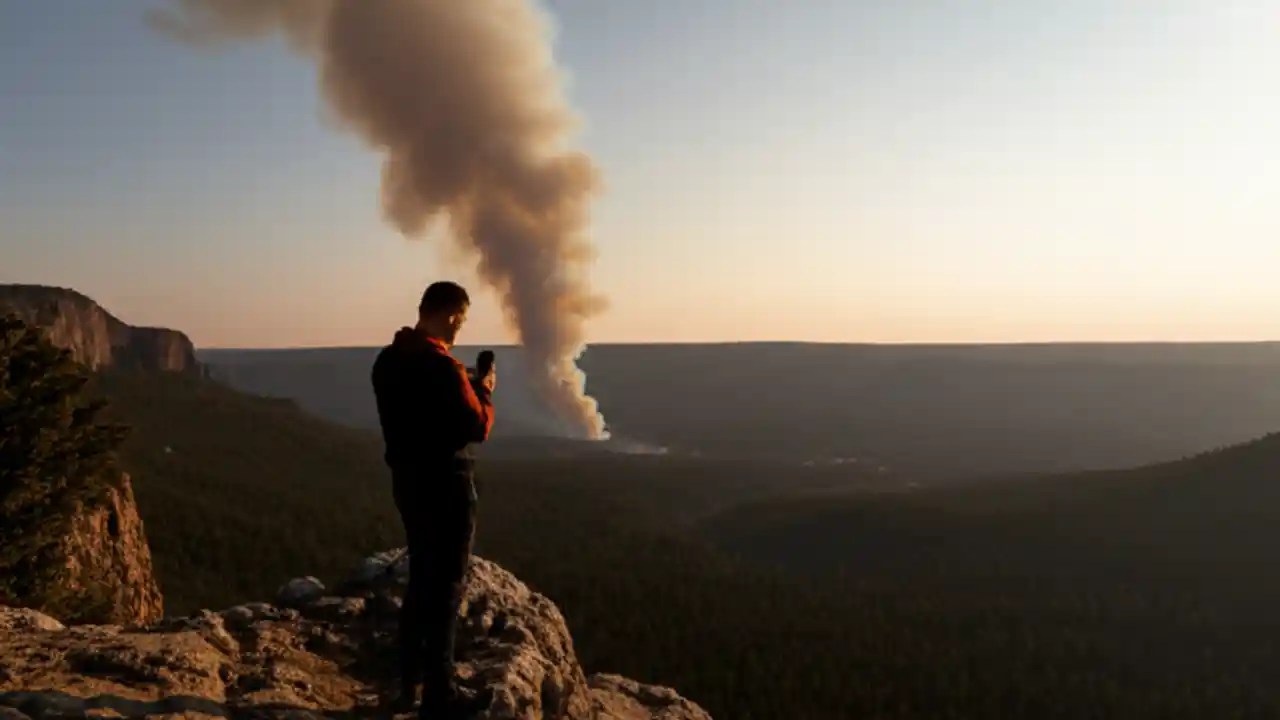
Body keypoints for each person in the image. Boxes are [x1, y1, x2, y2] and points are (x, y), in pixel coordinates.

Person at [370, 280, 496, 717]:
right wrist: (484, 389)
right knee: (447, 586)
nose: (460, 329)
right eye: (460, 320)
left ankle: (408, 682)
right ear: (448, 314)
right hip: (448, 486)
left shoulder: (385, 362)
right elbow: (476, 427)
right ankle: (441, 694)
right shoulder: (444, 369)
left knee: (421, 579)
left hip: (407, 483)